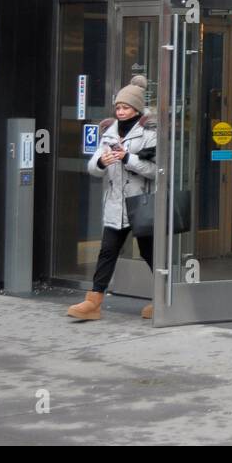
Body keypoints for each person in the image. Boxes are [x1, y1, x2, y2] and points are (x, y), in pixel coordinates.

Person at [67, 75, 157, 321]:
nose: (121, 111)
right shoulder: (109, 131)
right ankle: (93, 301)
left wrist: (128, 158)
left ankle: (165, 299)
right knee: (107, 252)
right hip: (116, 203)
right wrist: (100, 161)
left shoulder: (149, 133)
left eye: (125, 107)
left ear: (136, 108)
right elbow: (92, 167)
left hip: (141, 204)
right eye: (118, 107)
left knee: (151, 254)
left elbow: (156, 171)